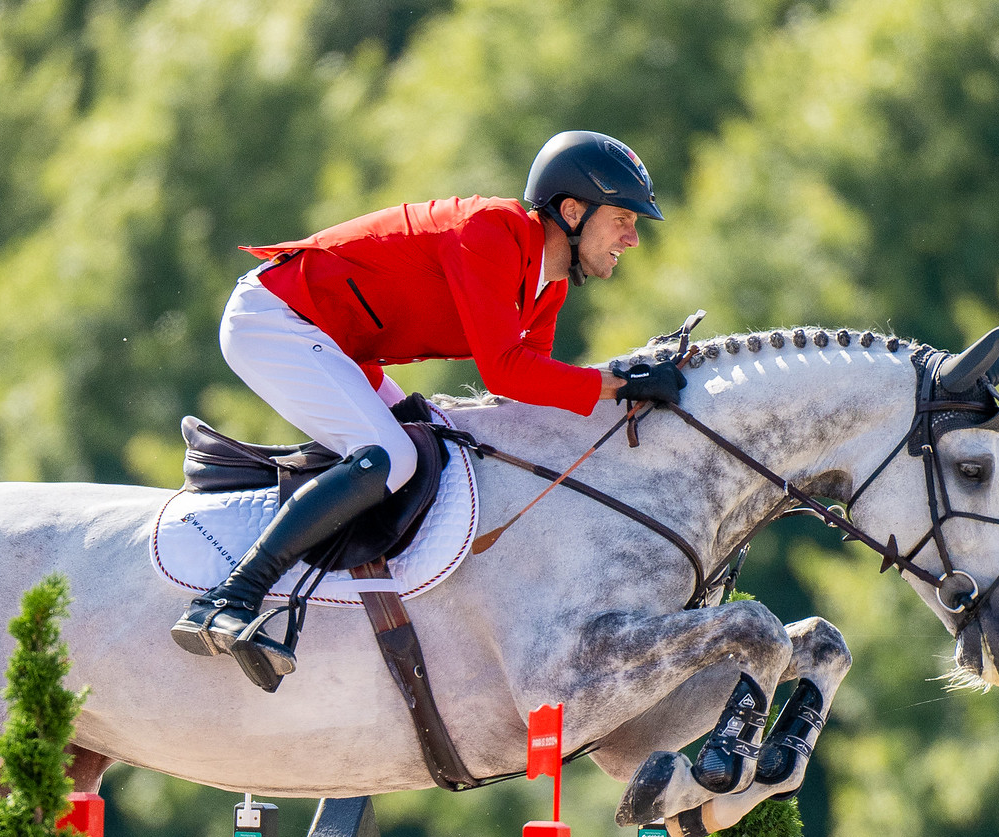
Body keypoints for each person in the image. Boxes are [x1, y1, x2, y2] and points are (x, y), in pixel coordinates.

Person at [170, 130, 690, 689]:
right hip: (276, 320)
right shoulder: (491, 231)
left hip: (335, 344)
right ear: (571, 210)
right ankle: (231, 596)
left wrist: (620, 403)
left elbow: (528, 390)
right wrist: (620, 383)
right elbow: (506, 370)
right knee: (389, 456)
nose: (633, 239)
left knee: (435, 443)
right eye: (624, 220)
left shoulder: (548, 286)